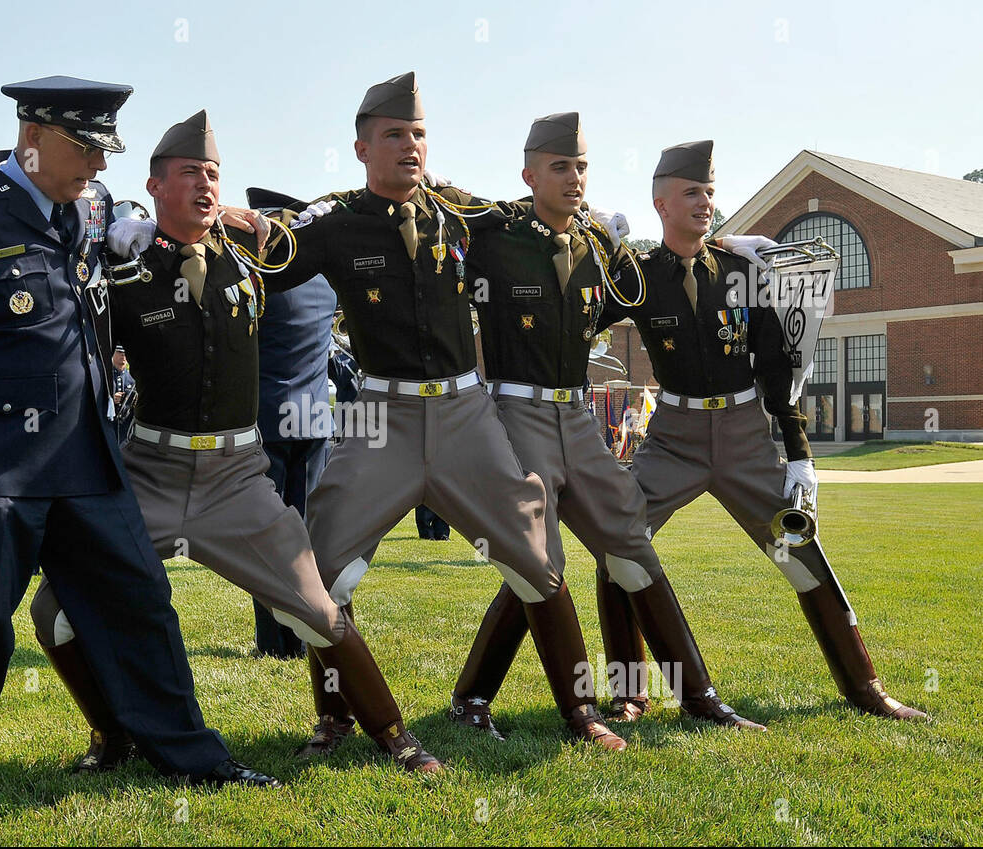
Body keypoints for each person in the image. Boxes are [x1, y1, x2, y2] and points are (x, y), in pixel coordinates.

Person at [0, 77, 279, 820]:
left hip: (86, 455)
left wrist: (216, 213)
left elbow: (141, 237)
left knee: (142, 606)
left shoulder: (92, 209)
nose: (99, 166)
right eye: (86, 148)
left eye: (106, 152)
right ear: (32, 137)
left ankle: (193, 757)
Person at [31, 111, 441, 773]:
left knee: (320, 609)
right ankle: (113, 737)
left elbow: (335, 231)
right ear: (155, 186)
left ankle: (399, 739)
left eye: (214, 173)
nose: (205, 182)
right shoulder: (119, 269)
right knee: (56, 611)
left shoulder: (254, 252)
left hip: (240, 479)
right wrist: (111, 239)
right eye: (190, 172)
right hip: (152, 472)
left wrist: (270, 227)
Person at [264, 73, 625, 751]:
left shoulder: (465, 217)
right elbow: (274, 254)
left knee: (536, 562)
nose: (410, 146)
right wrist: (233, 225)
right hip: (380, 416)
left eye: (419, 135)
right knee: (325, 570)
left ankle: (581, 714)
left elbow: (544, 226)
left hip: (465, 414)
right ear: (362, 147)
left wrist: (610, 233)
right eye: (395, 135)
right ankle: (336, 718)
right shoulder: (337, 220)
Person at [448, 114, 763, 741]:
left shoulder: (597, 241)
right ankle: (535, 704)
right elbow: (431, 200)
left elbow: (651, 281)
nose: (574, 178)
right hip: (517, 410)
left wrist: (723, 251)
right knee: (541, 560)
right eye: (560, 167)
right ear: (530, 175)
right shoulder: (495, 229)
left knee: (629, 542)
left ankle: (697, 694)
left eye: (582, 167)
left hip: (577, 415)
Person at [592, 140, 927, 722]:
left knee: (797, 547)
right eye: (692, 193)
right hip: (673, 437)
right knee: (618, 545)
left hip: (745, 435)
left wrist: (800, 456)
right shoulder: (639, 279)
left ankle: (864, 687)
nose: (705, 203)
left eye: (710, 193)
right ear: (661, 203)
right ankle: (630, 692)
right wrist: (601, 247)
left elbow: (777, 368)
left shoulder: (746, 271)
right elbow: (585, 320)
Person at [245, 185, 340, 659]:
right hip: (313, 418)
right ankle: (310, 630)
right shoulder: (325, 282)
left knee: (270, 536)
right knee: (307, 535)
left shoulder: (258, 279)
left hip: (266, 419)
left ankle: (276, 642)